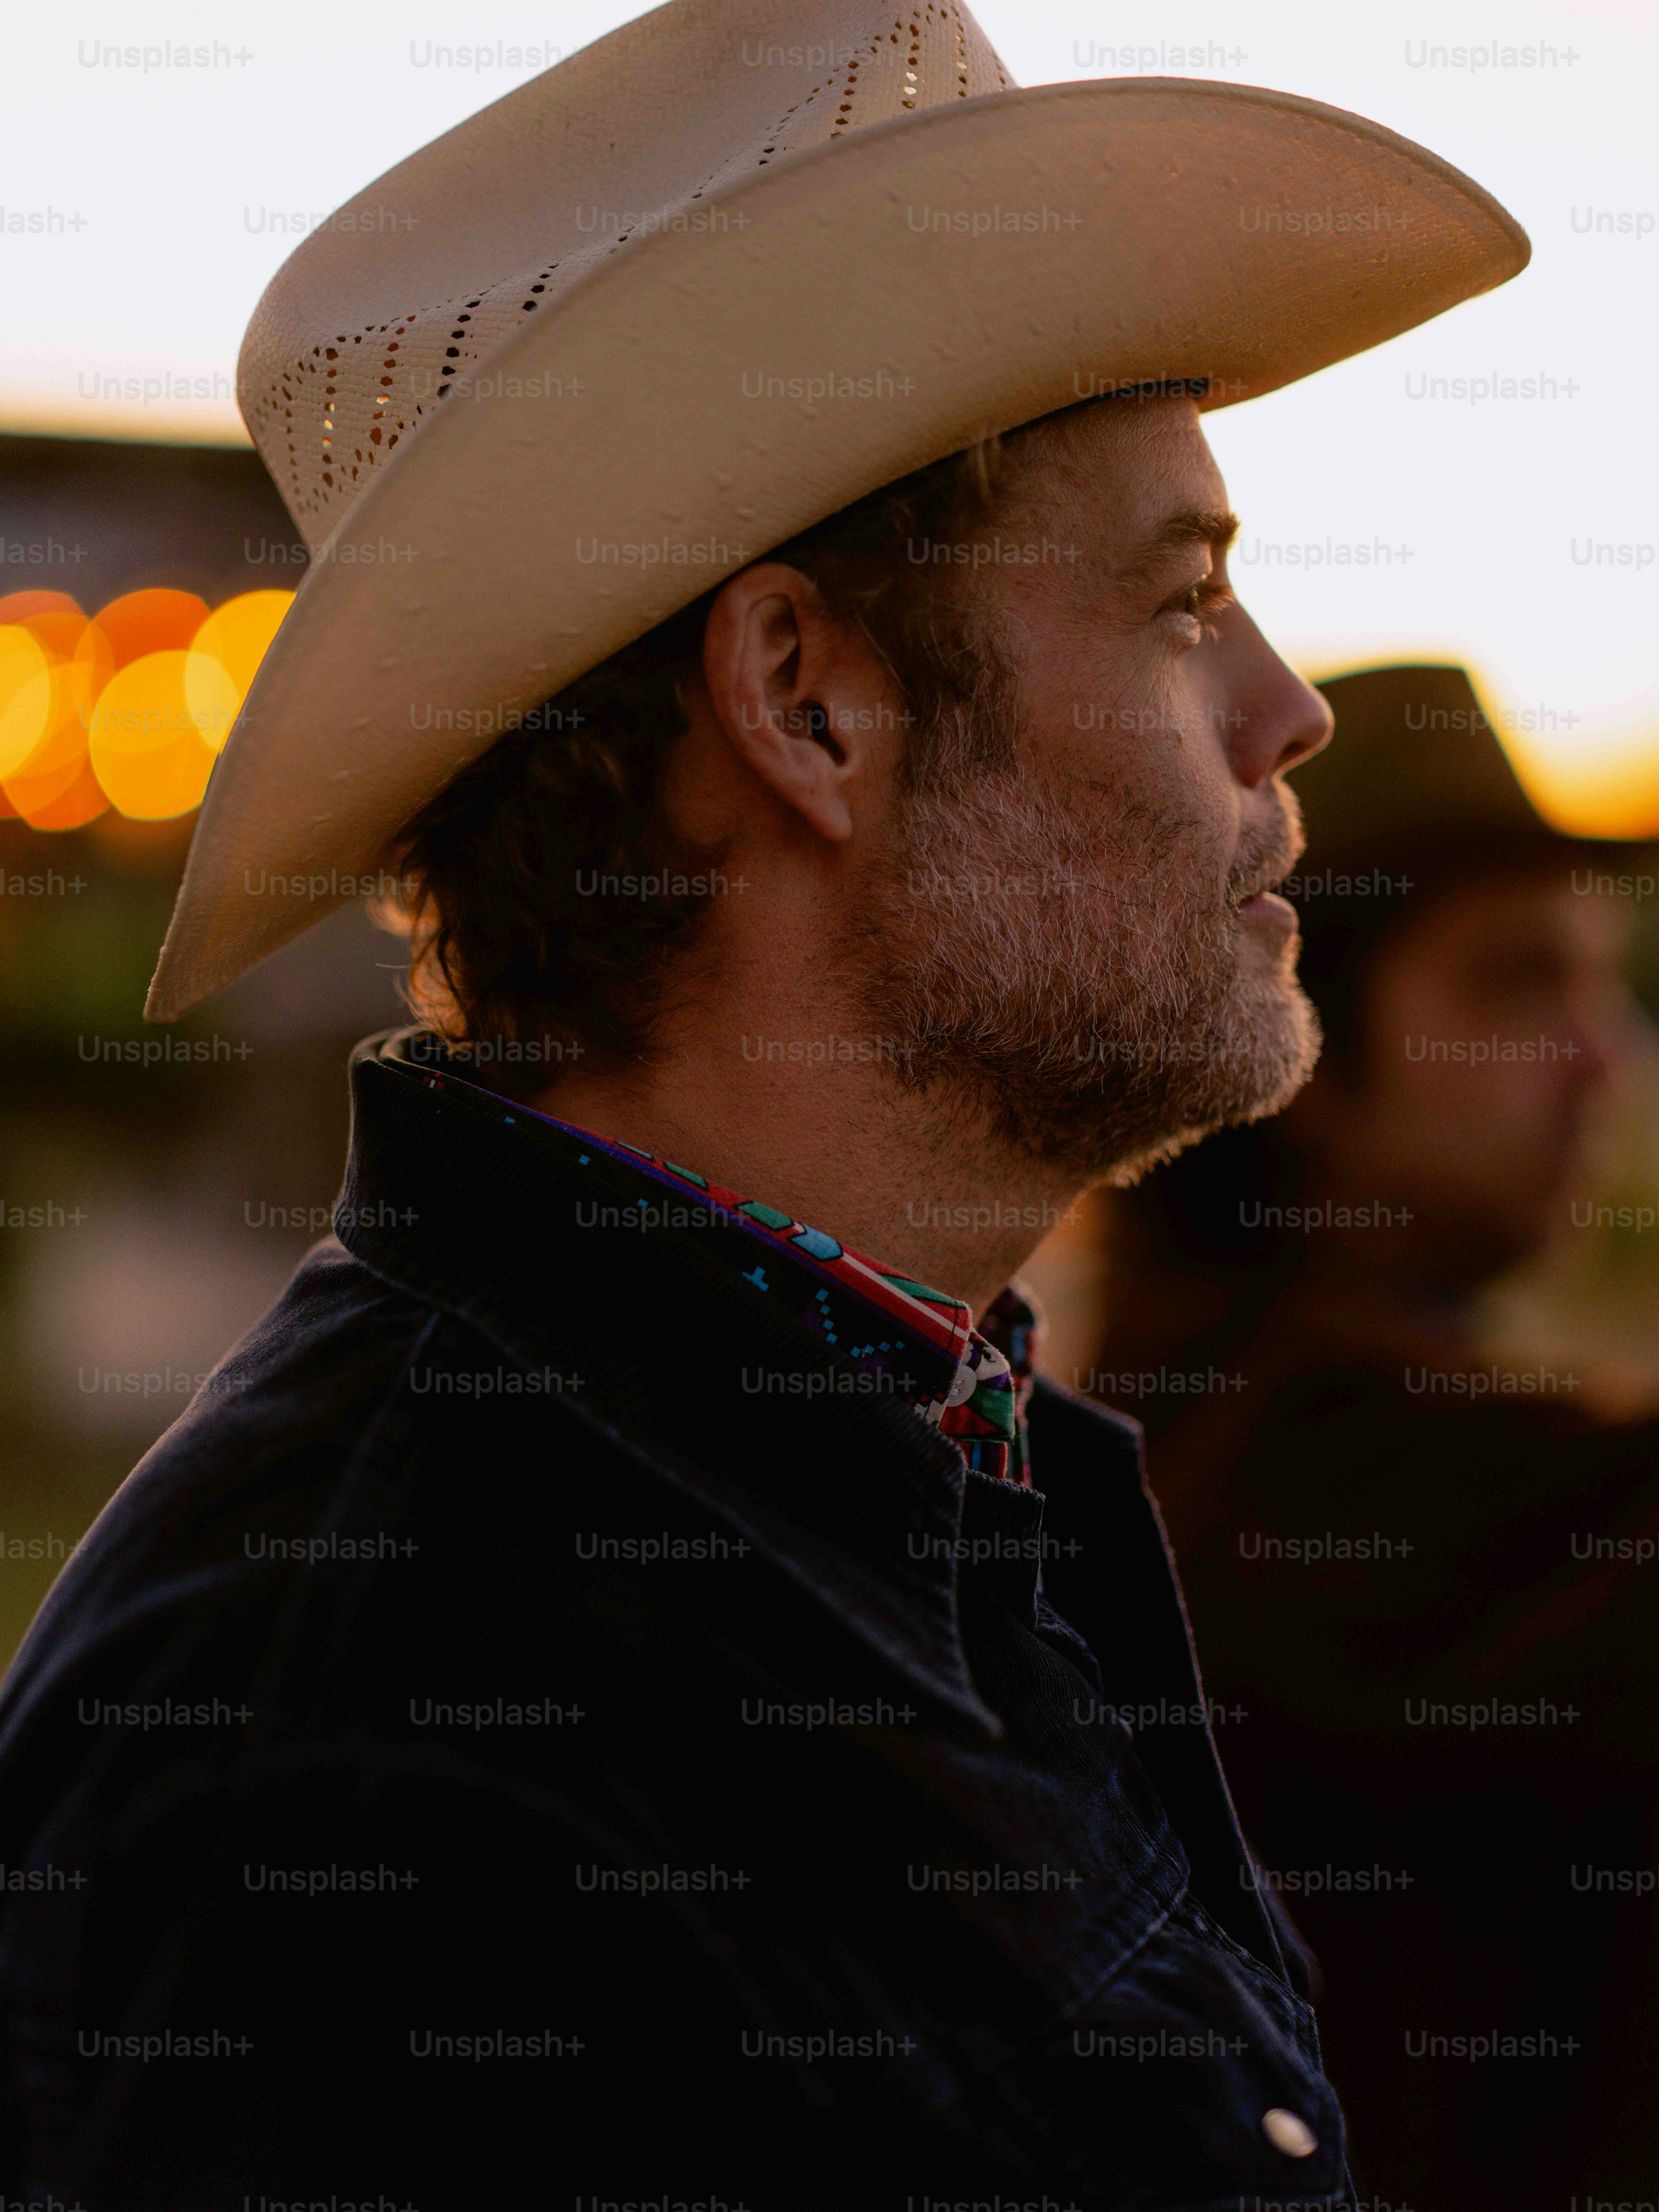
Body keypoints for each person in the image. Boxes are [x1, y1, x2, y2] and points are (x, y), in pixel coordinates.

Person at [0, 7, 1529, 2203]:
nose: (1286, 712)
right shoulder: (360, 1758)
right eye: (1184, 597)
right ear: (809, 700)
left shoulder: (891, 1472)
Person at [1085, 661, 1659, 2212]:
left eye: (1599, 984)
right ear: (1309, 1040)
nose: (1602, 1055)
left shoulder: (1174, 1398)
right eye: (1513, 983)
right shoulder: (1307, 1448)